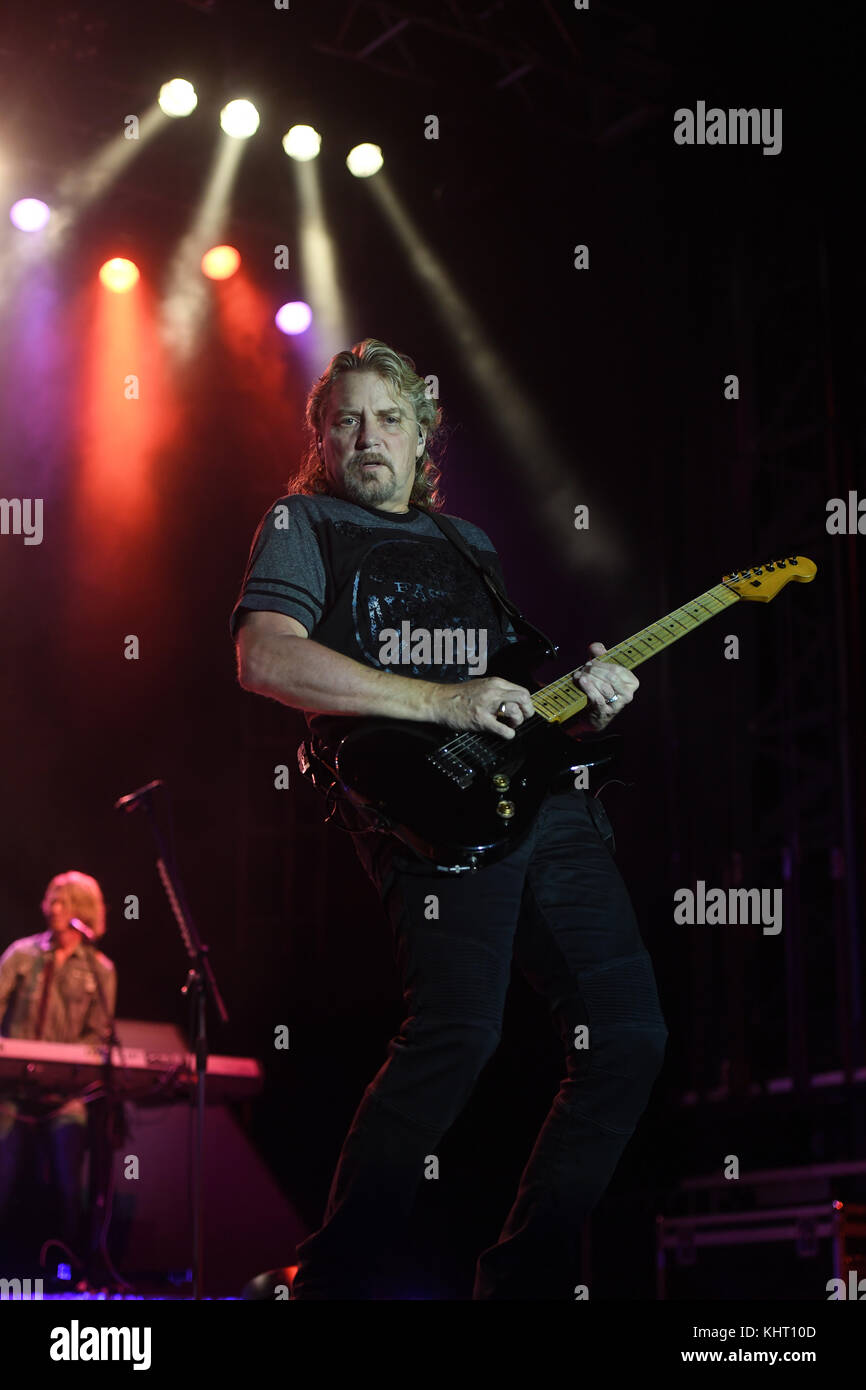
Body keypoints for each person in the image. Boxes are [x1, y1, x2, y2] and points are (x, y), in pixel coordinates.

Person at [231, 338, 668, 1300]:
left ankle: (522, 1282)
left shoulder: (471, 546)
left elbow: (510, 696)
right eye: (345, 419)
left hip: (544, 801)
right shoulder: (303, 522)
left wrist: (582, 700)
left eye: (388, 417)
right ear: (321, 435)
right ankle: (332, 1280)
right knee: (459, 1033)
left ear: (424, 429)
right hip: (425, 810)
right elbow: (265, 659)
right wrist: (444, 703)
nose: (367, 435)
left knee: (628, 1038)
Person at [0, 871, 117, 1274]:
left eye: (64, 901)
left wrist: (64, 1067)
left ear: (82, 910)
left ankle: (71, 1270)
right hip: (11, 1094)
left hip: (65, 1097)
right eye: (52, 900)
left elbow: (98, 1035)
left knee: (72, 1184)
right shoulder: (20, 954)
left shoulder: (100, 970)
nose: (53, 908)